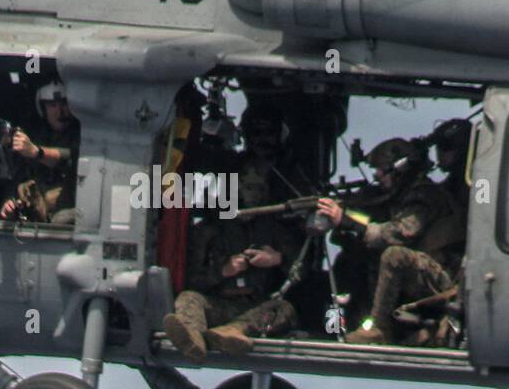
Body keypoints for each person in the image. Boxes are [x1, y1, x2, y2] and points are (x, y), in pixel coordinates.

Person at [161, 112, 301, 363]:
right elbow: (190, 278)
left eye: (255, 191)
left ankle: (232, 334)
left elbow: (301, 272)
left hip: (253, 307)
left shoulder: (274, 231)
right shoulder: (209, 230)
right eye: (243, 190)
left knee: (285, 309)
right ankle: (192, 339)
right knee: (188, 299)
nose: (248, 198)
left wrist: (277, 259)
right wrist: (222, 272)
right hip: (218, 302)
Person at [317, 136, 465, 345]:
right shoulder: (401, 195)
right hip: (425, 271)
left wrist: (350, 222)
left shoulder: (425, 194)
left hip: (443, 275)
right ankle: (346, 323)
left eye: (382, 170)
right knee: (364, 252)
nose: (378, 176)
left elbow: (401, 232)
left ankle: (379, 328)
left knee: (394, 256)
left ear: (401, 168)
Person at [0, 80, 81, 224]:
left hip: (65, 211)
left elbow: (70, 157)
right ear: (43, 108)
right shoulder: (36, 135)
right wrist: (9, 202)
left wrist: (37, 152)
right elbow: (18, 174)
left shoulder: (81, 134)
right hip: (37, 212)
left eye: (64, 104)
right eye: (52, 105)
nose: (59, 111)